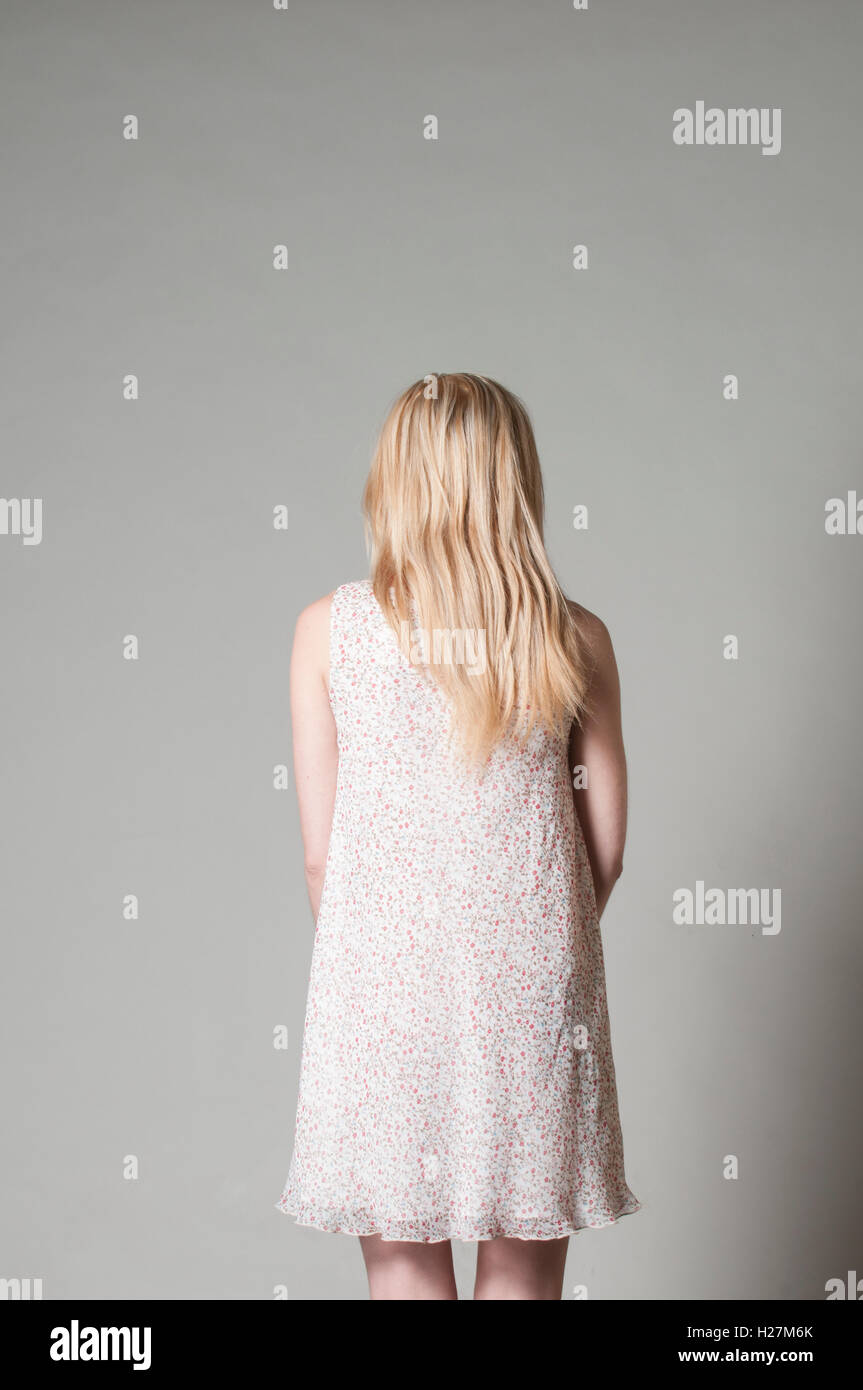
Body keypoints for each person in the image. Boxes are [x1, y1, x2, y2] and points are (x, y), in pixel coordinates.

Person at [274, 373, 641, 1300]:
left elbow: (322, 855)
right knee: (523, 1266)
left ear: (393, 479)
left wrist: (388, 950)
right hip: (531, 981)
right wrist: (525, 941)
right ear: (515, 480)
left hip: (381, 983)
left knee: (400, 1265)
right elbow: (604, 847)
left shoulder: (329, 631)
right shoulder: (573, 639)